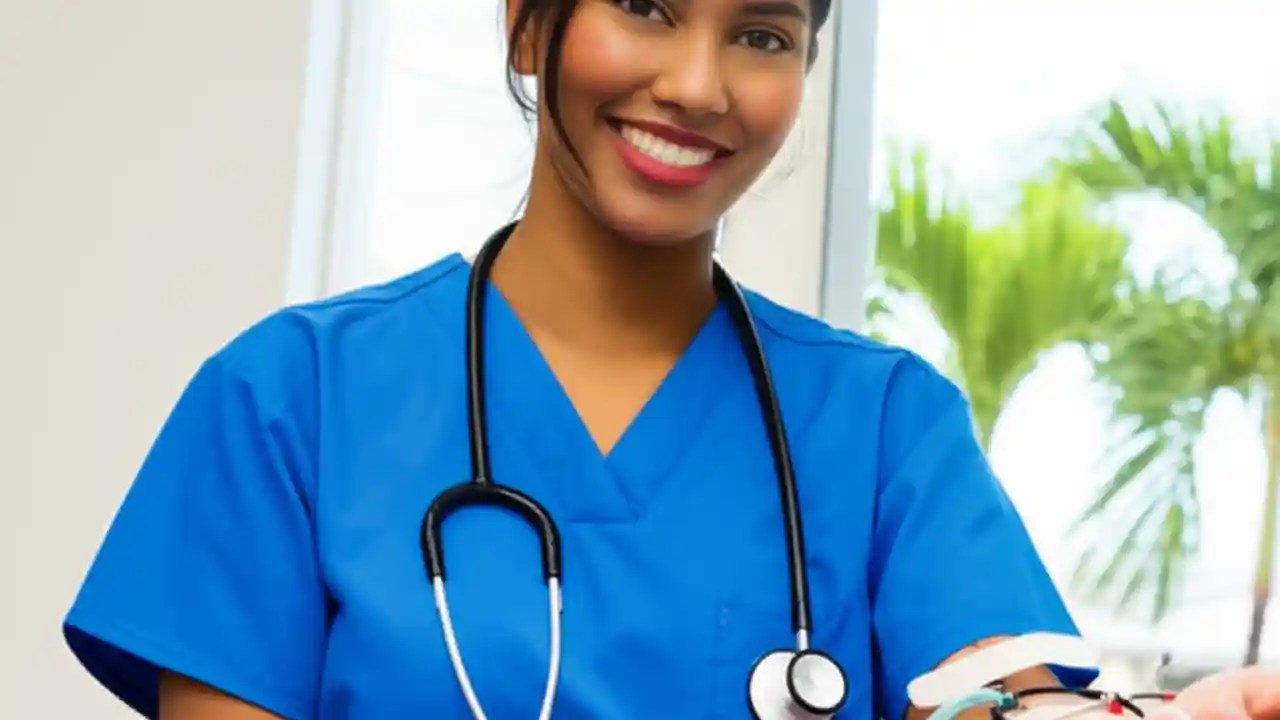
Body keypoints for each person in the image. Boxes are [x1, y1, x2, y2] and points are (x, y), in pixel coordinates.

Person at [62, 0, 1278, 718]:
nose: (696, 85)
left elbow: (997, 693)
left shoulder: (884, 428)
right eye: (645, 3)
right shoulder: (290, 402)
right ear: (530, 24)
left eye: (759, 32)